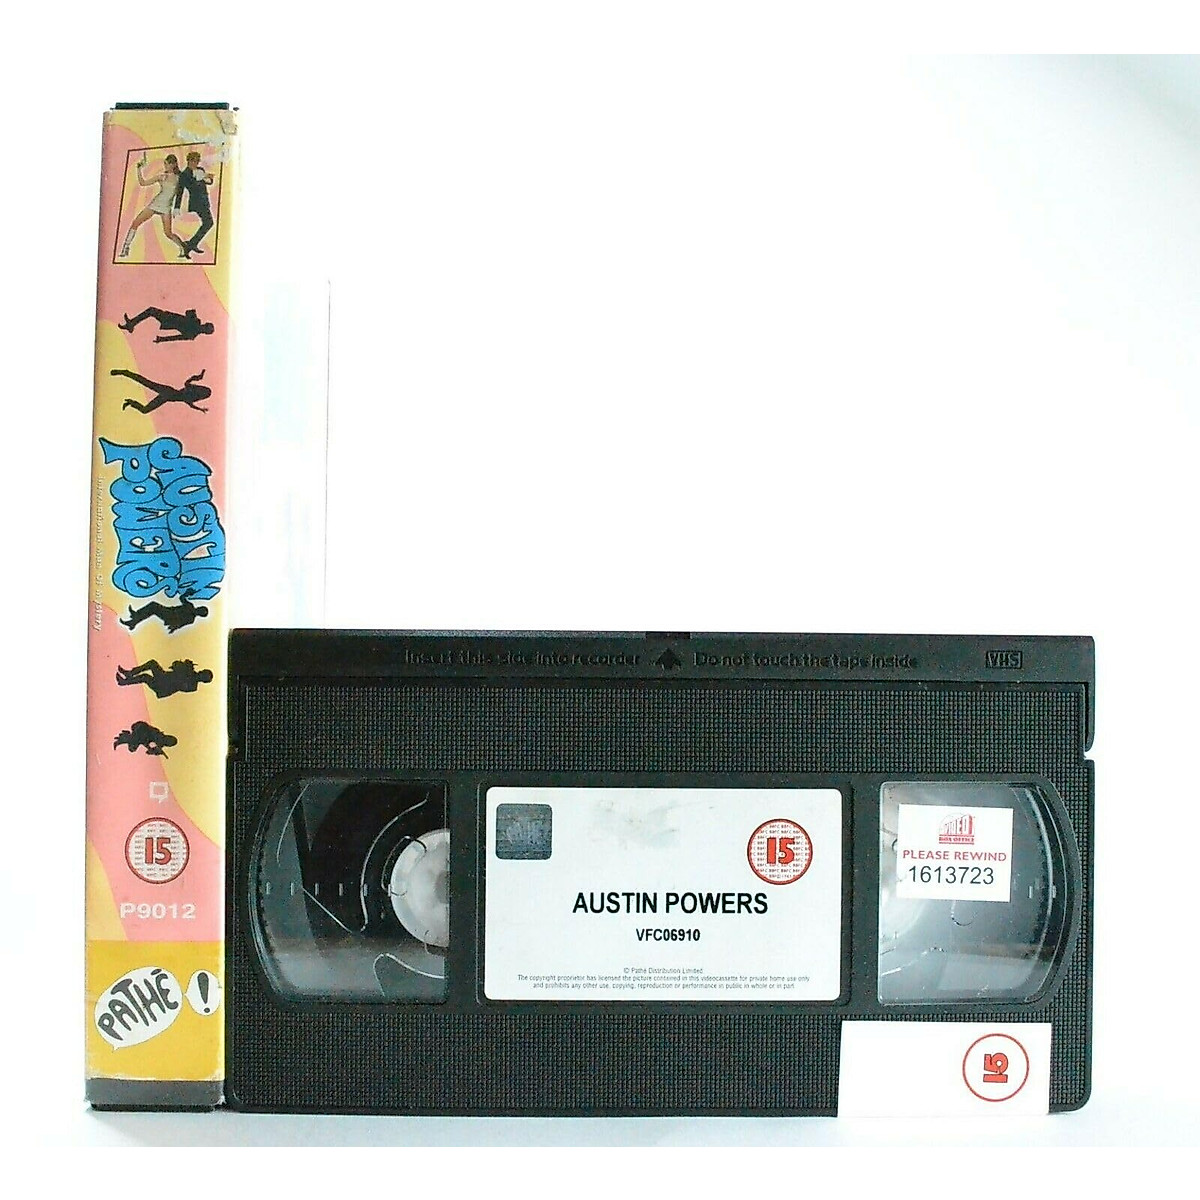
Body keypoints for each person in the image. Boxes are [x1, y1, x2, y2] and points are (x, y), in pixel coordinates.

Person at [119, 153, 188, 258]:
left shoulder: (180, 178)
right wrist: (139, 169)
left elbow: (186, 187)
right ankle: (126, 248)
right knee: (136, 222)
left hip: (166, 207)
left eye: (167, 164)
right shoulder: (162, 176)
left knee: (168, 233)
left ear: (173, 164)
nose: (165, 166)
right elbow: (143, 183)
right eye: (165, 164)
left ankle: (182, 247)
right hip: (155, 204)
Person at [110, 367, 211, 413]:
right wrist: (198, 377)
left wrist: (198, 377)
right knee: (145, 384)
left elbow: (190, 402)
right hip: (167, 394)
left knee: (145, 383)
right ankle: (125, 373)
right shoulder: (192, 394)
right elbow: (190, 401)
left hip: (166, 394)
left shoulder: (192, 395)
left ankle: (130, 401)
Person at [174, 151, 215, 258]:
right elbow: (180, 191)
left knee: (208, 223)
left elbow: (208, 182)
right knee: (209, 222)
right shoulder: (184, 174)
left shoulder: (200, 170)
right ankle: (191, 244)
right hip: (196, 203)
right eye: (193, 161)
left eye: (197, 161)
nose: (195, 163)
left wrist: (209, 178)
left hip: (205, 201)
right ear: (188, 161)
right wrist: (176, 208)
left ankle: (191, 244)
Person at [116, 659, 213, 699]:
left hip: (163, 688)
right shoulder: (191, 672)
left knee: (145, 677)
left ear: (203, 680)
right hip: (163, 678)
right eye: (203, 672)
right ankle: (129, 674)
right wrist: (183, 665)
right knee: (152, 664)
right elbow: (175, 665)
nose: (201, 673)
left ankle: (124, 681)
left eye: (203, 675)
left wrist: (186, 669)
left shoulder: (193, 686)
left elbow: (179, 684)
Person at [120, 593, 209, 633]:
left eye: (200, 611)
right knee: (152, 608)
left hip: (170, 617)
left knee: (153, 606)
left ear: (200, 614)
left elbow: (181, 624)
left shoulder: (191, 619)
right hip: (169, 611)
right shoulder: (190, 606)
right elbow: (182, 598)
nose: (198, 610)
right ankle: (134, 620)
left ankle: (135, 618)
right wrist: (187, 593)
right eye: (200, 608)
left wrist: (174, 627)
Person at [118, 306, 214, 342]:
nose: (204, 326)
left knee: (151, 310)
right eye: (206, 325)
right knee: (151, 311)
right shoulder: (196, 323)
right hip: (169, 317)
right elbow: (188, 312)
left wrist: (162, 339)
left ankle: (131, 324)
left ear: (205, 332)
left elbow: (176, 337)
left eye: (206, 327)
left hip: (168, 320)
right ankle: (131, 324)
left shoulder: (193, 333)